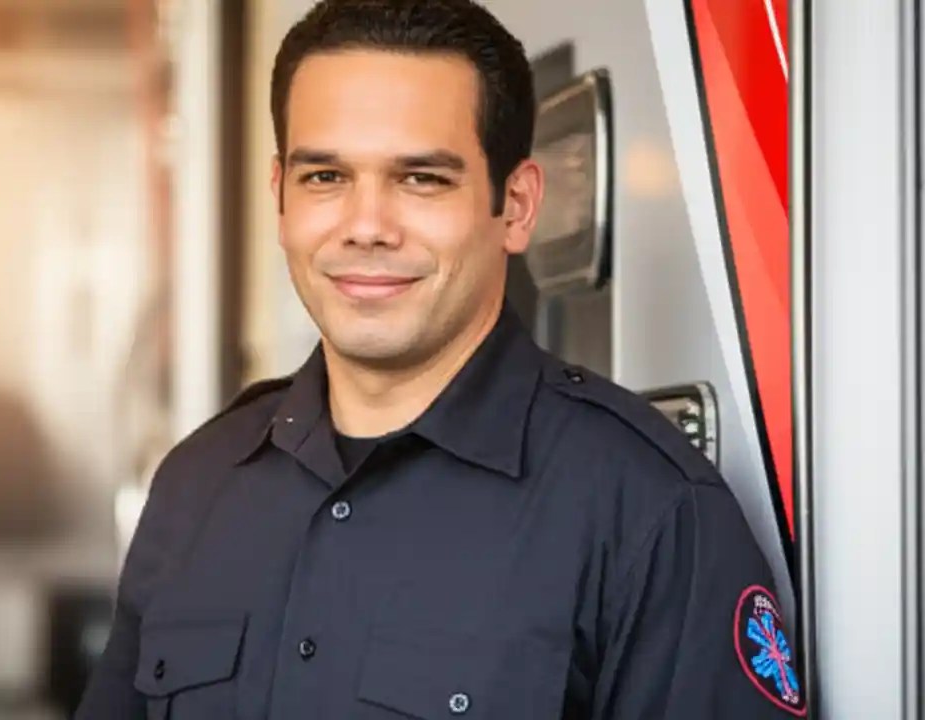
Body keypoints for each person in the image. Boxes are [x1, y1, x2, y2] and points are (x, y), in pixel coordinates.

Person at [74, 0, 805, 717]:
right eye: (325, 177)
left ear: (515, 206)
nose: (366, 227)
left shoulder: (649, 512)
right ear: (280, 200)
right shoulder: (199, 484)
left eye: (421, 178)